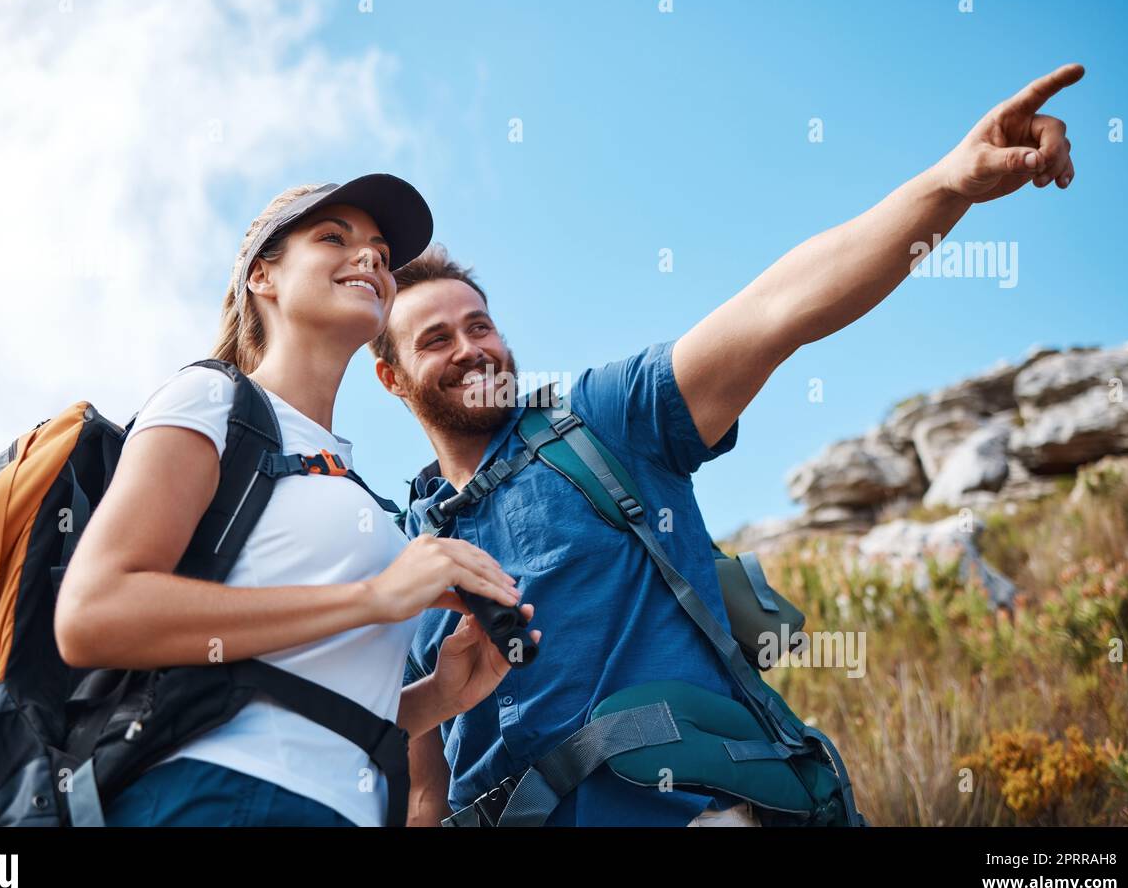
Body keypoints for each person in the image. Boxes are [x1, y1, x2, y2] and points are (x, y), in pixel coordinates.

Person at [369, 65, 1084, 826]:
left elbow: (779, 308)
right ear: (391, 378)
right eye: (437, 338)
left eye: (481, 325)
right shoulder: (398, 558)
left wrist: (949, 185)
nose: (472, 349)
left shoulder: (600, 421)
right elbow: (423, 794)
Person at [54, 174, 538, 827]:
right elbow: (93, 612)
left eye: (379, 249)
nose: (370, 256)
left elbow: (297, 701)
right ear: (263, 277)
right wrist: (373, 598)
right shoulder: (213, 400)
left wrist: (439, 696)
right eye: (333, 237)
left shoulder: (349, 482)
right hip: (214, 797)